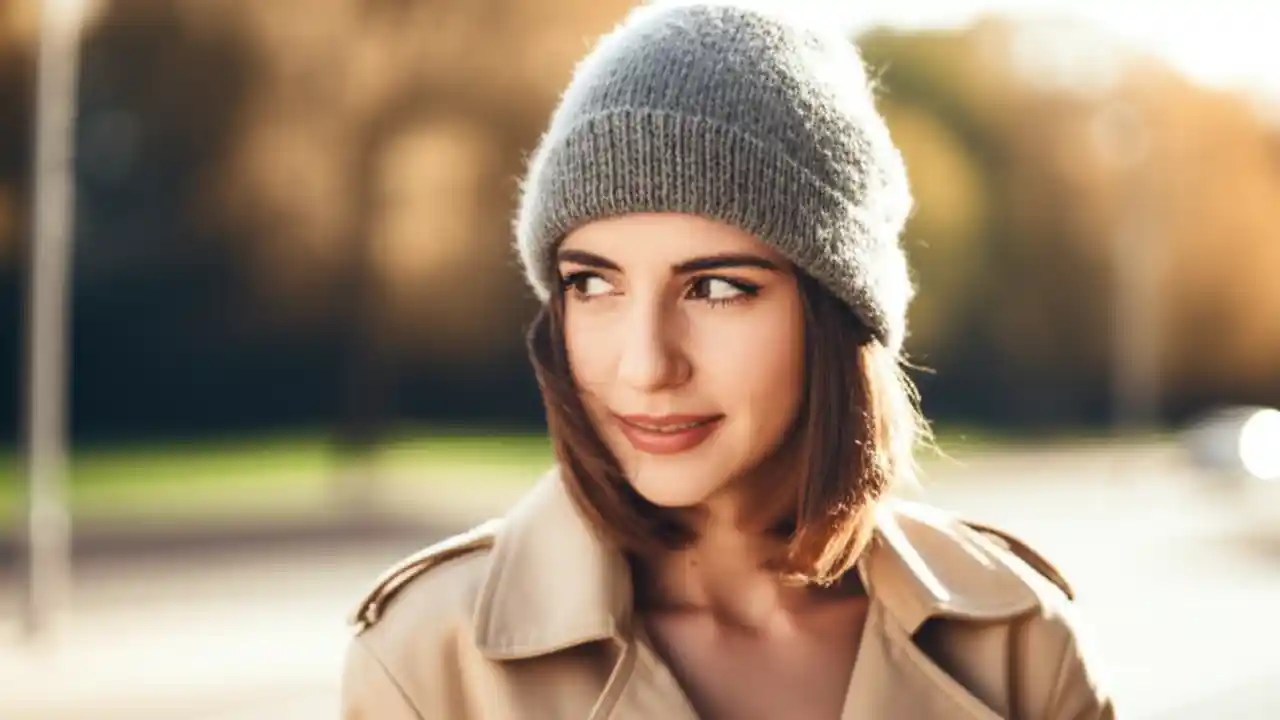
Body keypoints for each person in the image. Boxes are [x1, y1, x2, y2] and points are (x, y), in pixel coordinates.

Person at [339, 1, 1114, 718]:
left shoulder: (1018, 643)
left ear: (836, 311)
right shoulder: (428, 660)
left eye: (715, 287)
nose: (646, 366)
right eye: (592, 283)